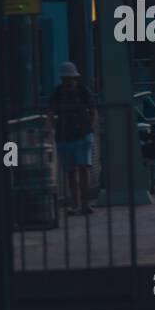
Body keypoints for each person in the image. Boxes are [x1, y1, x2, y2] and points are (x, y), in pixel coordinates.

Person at [46, 62, 97, 215]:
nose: (68, 82)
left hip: (82, 134)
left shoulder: (83, 91)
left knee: (83, 168)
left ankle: (84, 203)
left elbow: (93, 109)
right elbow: (50, 111)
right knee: (71, 172)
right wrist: (49, 128)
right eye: (66, 79)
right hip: (64, 135)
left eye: (71, 79)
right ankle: (76, 203)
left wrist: (91, 128)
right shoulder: (57, 92)